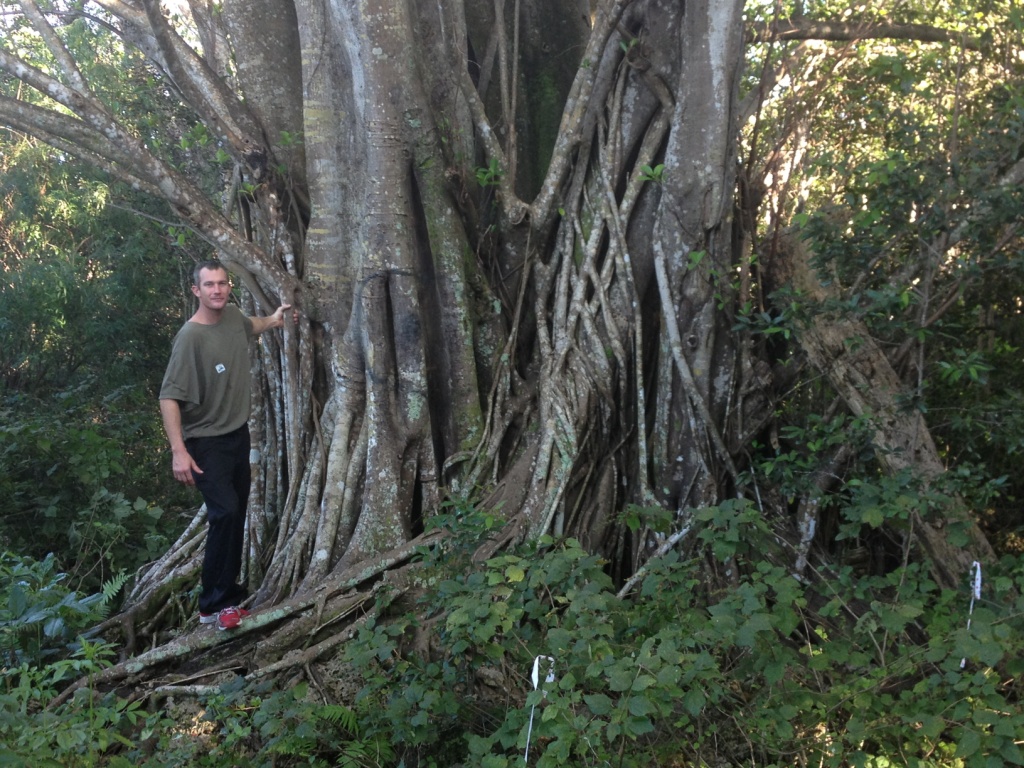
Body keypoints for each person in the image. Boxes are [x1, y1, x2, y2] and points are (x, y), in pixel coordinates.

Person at [159, 259, 294, 631]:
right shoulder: (190, 338)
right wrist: (178, 451)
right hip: (205, 443)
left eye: (222, 284)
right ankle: (213, 605)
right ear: (196, 291)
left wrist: (275, 319)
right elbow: (169, 397)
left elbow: (253, 327)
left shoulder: (233, 317)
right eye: (209, 285)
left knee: (235, 516)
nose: (217, 290)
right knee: (226, 514)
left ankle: (226, 600)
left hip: (237, 435)